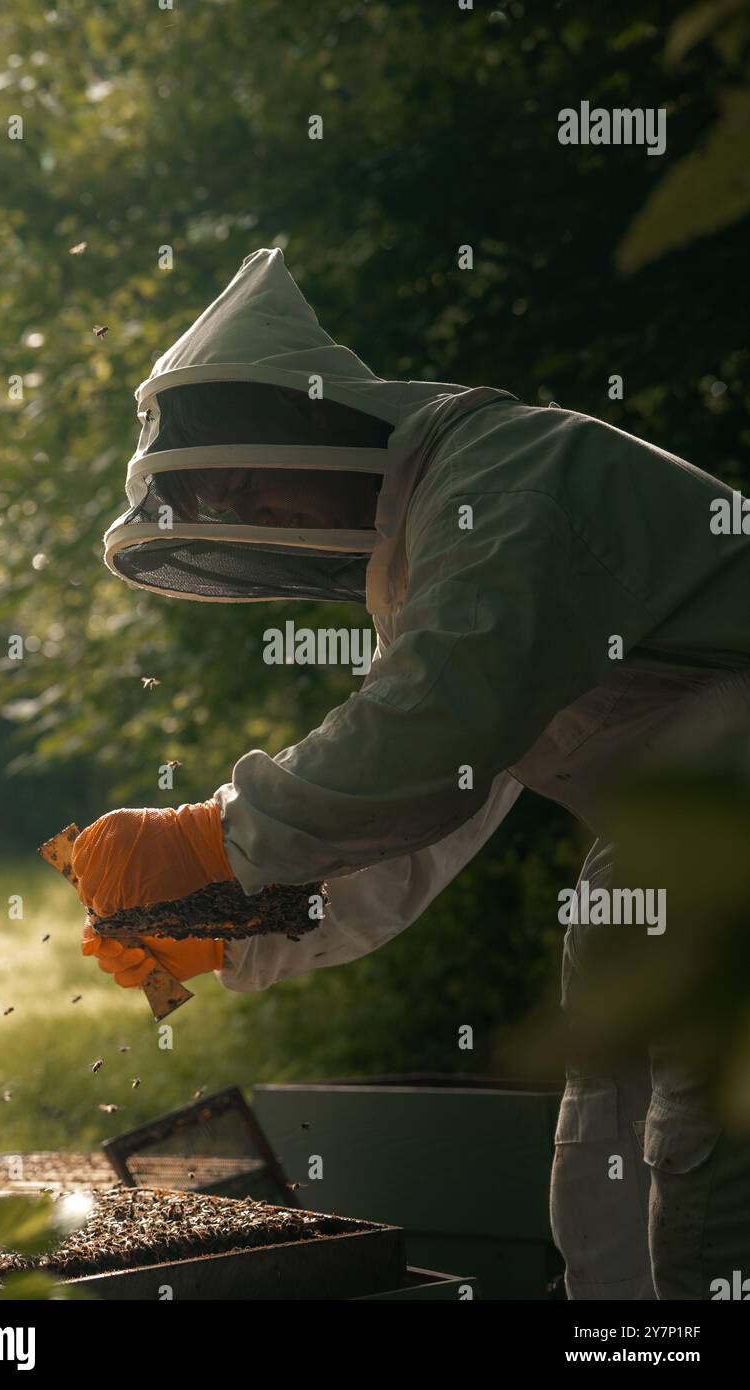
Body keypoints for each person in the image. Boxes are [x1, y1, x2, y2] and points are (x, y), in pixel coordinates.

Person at [72, 247, 750, 1299]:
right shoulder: (438, 527)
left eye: (250, 487)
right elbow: (423, 820)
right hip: (675, 844)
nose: (263, 519)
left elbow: (428, 736)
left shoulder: (511, 480)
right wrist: (233, 916)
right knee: (601, 1167)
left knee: (714, 1178)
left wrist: (218, 840)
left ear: (312, 414)